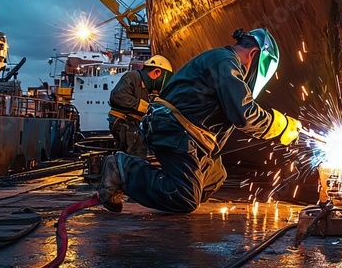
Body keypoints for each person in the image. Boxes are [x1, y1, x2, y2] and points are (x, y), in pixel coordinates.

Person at [98, 28, 302, 214]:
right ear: (254, 54)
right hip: (174, 130)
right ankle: (123, 167)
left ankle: (178, 185)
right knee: (184, 198)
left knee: (215, 175)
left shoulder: (221, 61)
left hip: (187, 134)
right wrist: (282, 126)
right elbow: (244, 115)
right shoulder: (225, 62)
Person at [107, 54, 172, 158]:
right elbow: (117, 96)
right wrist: (145, 107)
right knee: (137, 153)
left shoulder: (147, 87)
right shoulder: (133, 77)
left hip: (133, 123)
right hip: (123, 122)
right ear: (157, 72)